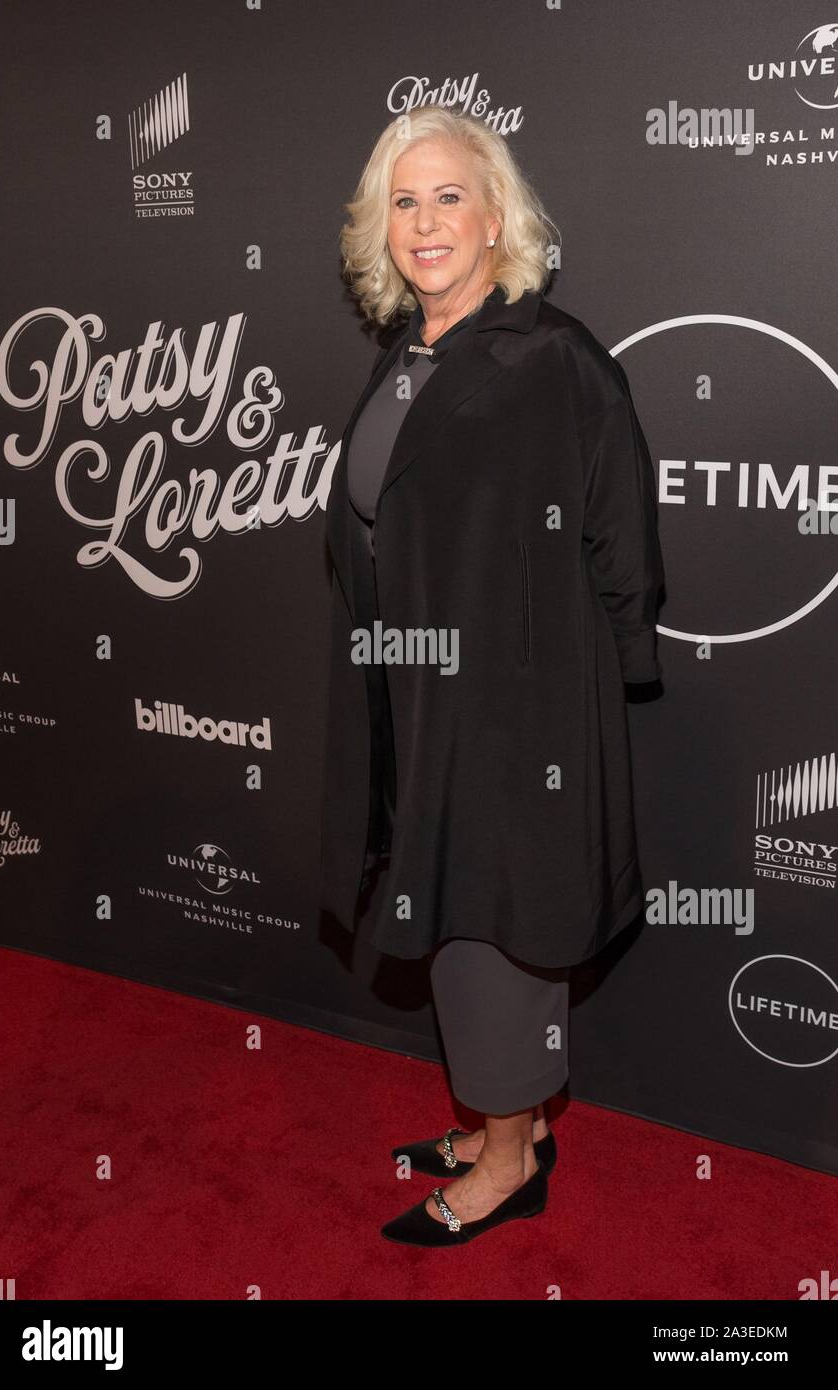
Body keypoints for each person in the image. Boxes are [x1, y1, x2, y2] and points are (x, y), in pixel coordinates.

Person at [319, 106, 665, 1247]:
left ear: (496, 213)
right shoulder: (408, 355)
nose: (425, 222)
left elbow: (619, 532)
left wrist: (600, 675)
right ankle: (495, 1123)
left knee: (495, 926)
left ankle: (511, 1160)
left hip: (514, 711)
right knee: (453, 918)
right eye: (403, 201)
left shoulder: (547, 355)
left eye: (448, 195)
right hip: (413, 695)